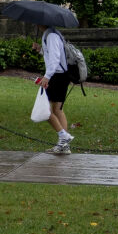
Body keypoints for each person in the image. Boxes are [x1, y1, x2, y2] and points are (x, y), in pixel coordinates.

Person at [34, 23, 74, 153]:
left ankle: (64, 136)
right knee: (57, 110)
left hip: (56, 76)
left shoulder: (51, 36)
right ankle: (64, 145)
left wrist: (47, 76)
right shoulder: (53, 34)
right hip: (61, 75)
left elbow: (55, 59)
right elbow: (54, 55)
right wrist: (40, 50)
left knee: (45, 110)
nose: (36, 24)